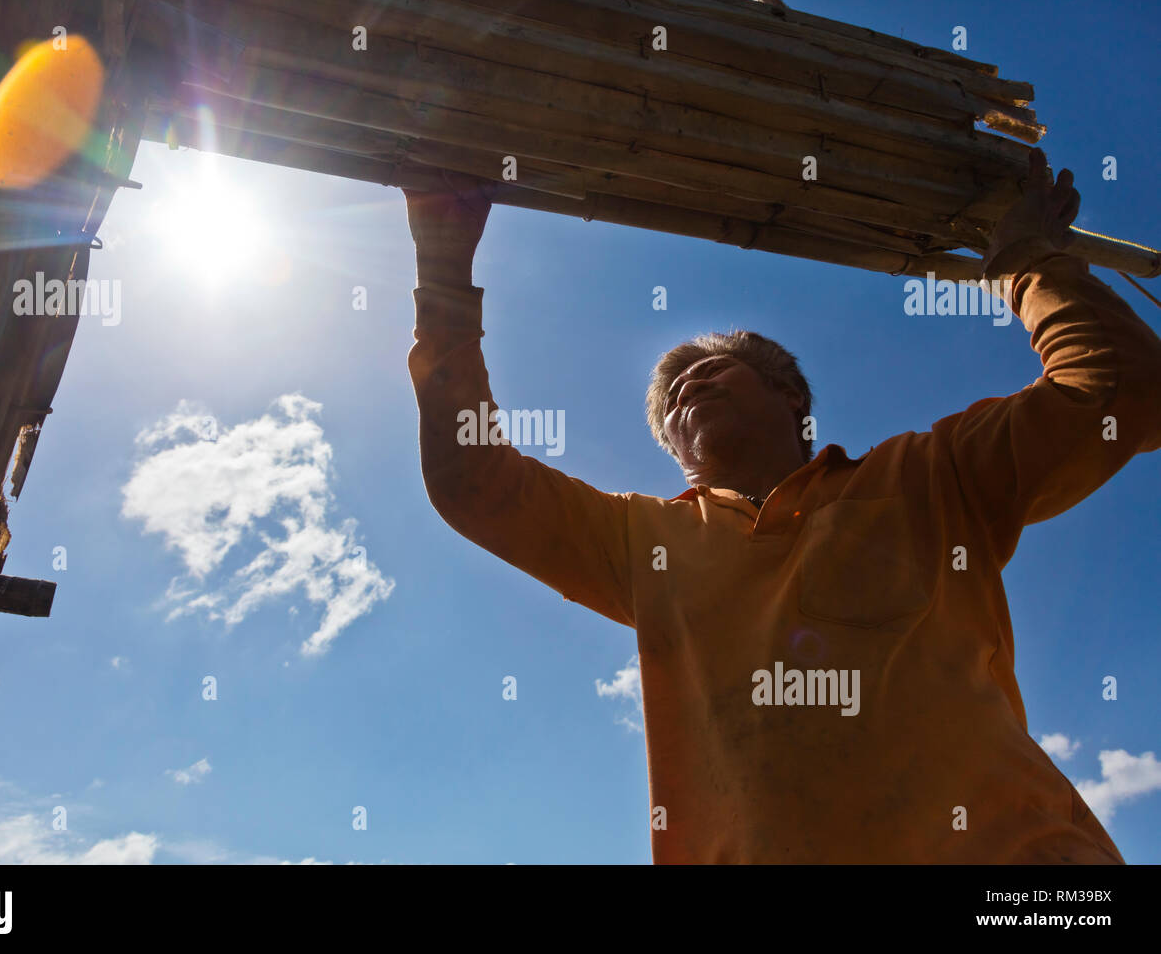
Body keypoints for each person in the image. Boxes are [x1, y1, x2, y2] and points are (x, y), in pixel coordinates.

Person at [402, 149, 1161, 862]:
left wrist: (1028, 260)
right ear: (675, 449)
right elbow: (476, 485)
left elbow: (1121, 388)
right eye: (672, 398)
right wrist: (442, 270)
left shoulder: (931, 474)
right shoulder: (645, 542)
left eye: (713, 370)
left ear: (791, 396)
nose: (688, 386)